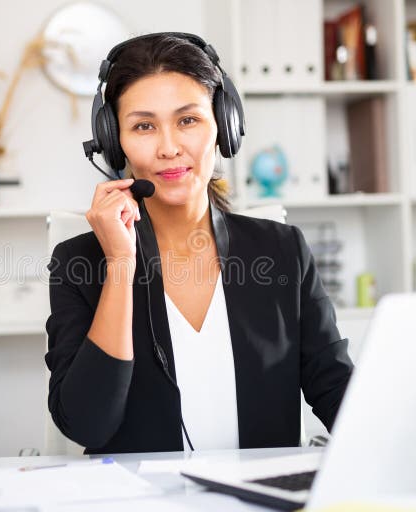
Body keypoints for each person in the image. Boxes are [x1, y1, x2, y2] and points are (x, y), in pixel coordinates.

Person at [44, 33, 353, 455]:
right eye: (144, 126)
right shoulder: (78, 261)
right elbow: (87, 425)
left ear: (224, 127)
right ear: (115, 143)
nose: (169, 148)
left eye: (188, 120)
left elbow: (338, 393)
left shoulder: (282, 251)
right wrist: (120, 262)